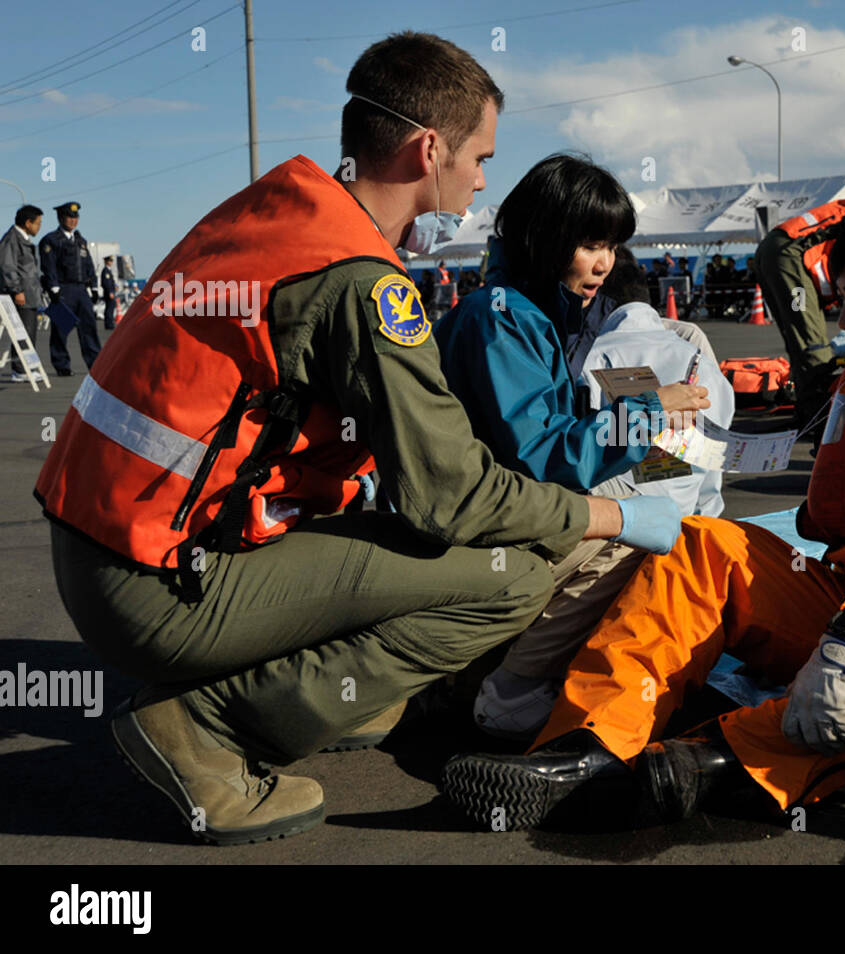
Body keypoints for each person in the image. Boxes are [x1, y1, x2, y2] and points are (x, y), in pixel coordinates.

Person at [33, 31, 684, 847]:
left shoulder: (283, 213)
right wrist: (615, 511)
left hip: (119, 538)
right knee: (509, 577)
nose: (483, 177)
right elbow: (464, 489)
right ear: (428, 149)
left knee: (424, 535)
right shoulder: (377, 285)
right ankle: (209, 730)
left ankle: (336, 685)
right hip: (155, 584)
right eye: (479, 156)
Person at [441, 201, 845, 831]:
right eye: (841, 296)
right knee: (701, 543)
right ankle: (587, 750)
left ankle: (712, 764)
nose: (843, 319)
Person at [433, 155, 710, 740]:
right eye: (590, 244)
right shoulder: (501, 318)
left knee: (662, 505)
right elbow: (543, 454)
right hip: (490, 527)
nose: (604, 263)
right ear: (546, 237)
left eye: (610, 246)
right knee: (644, 535)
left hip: (513, 509)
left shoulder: (541, 311)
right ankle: (511, 685)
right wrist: (653, 407)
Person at [752, 184, 845, 435]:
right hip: (786, 255)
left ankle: (807, 411)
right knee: (811, 340)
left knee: (798, 337)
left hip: (775, 252)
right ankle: (817, 419)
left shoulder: (843, 212)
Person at [39, 201, 101, 376]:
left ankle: (95, 364)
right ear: (60, 218)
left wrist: (94, 287)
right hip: (63, 289)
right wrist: (54, 288)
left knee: (89, 327)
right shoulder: (51, 240)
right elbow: (49, 266)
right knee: (60, 329)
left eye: (76, 217)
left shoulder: (80, 241)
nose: (73, 220)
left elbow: (88, 265)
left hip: (81, 290)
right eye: (70, 217)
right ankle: (61, 365)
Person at [0, 204, 44, 382]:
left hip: (30, 294)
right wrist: (16, 290)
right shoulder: (12, 239)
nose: (39, 226)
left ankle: (28, 367)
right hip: (20, 295)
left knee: (29, 332)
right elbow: (7, 266)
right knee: (22, 333)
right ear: (28, 223)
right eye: (38, 223)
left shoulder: (23, 239)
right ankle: (20, 369)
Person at [99, 255, 117, 330]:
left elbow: (111, 282)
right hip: (109, 293)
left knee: (111, 308)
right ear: (106, 262)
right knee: (109, 309)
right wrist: (110, 292)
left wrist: (115, 286)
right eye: (110, 261)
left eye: (112, 261)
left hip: (111, 291)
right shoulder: (105, 271)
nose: (111, 262)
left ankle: (109, 323)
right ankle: (109, 324)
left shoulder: (108, 271)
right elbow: (106, 283)